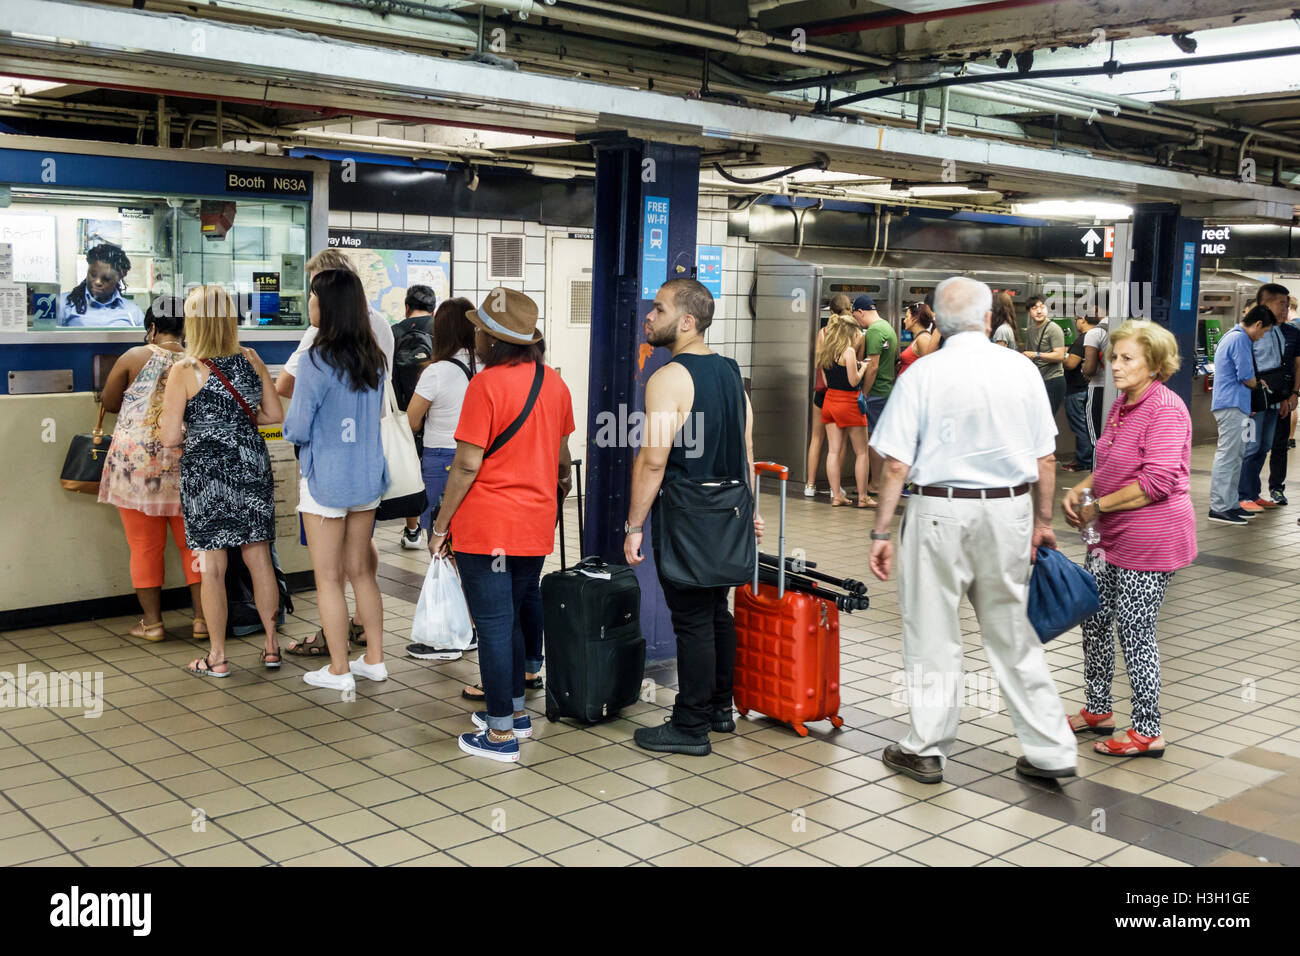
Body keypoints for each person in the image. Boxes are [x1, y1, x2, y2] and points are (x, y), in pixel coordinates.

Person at [868, 275, 1076, 784]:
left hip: (938, 513)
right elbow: (1045, 457)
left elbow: (896, 464)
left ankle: (927, 748)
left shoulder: (923, 373)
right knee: (1013, 632)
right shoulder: (1022, 371)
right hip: (1008, 512)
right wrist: (1043, 522)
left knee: (932, 631)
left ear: (936, 320)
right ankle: (1050, 750)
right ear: (989, 319)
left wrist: (880, 531)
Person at [430, 288, 574, 763]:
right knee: (508, 617)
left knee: (492, 626)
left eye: (480, 327)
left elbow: (467, 465)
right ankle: (515, 713)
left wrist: (440, 523)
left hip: (488, 526)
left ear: (493, 337)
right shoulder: (554, 383)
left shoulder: (485, 385)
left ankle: (498, 737)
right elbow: (563, 464)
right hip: (534, 526)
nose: (475, 334)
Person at [624, 278, 761, 756]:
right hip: (729, 512)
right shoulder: (729, 372)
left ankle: (690, 725)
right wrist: (751, 511)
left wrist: (634, 525)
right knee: (715, 611)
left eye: (658, 309)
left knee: (692, 620)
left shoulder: (668, 379)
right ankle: (721, 708)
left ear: (686, 322)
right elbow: (746, 449)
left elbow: (653, 460)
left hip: (688, 514)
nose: (649, 316)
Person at [1061, 321, 1195, 758]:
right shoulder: (1123, 404)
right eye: (1114, 357)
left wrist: (1096, 507)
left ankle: (1148, 729)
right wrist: (1083, 487)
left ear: (1154, 364)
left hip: (1151, 542)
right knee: (1094, 618)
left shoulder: (1166, 409)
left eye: (1126, 358)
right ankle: (1098, 709)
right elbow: (1115, 463)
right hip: (1109, 538)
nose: (1114, 366)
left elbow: (1154, 482)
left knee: (1136, 630)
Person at [160, 286, 284, 677]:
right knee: (258, 559)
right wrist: (239, 426)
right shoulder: (251, 358)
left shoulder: (185, 369)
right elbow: (273, 413)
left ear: (194, 321)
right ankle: (271, 645)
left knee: (212, 566)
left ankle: (218, 656)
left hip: (205, 471)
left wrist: (201, 431)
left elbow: (169, 437)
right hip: (250, 462)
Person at [277, 248, 394, 651]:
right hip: (367, 477)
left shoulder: (314, 358)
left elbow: (295, 427)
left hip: (325, 480)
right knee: (361, 571)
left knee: (328, 579)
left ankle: (340, 668)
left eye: (312, 294)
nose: (308, 301)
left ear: (327, 303)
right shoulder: (375, 357)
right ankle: (375, 660)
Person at [98, 296, 203, 641]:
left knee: (144, 546)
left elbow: (111, 402)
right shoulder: (197, 360)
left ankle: (153, 624)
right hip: (186, 461)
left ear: (152, 329)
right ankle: (203, 620)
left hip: (137, 467)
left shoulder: (134, 356)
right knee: (193, 545)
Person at [404, 295, 480, 663]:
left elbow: (412, 421)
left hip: (442, 461)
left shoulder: (436, 371)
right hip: (479, 462)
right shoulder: (484, 366)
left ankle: (453, 633)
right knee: (468, 546)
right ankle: (471, 624)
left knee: (442, 545)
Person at [1208, 304, 1276, 524]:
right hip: (1231, 405)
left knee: (1235, 456)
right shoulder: (1240, 339)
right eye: (1264, 331)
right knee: (1228, 456)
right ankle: (1219, 507)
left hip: (1235, 405)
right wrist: (1258, 385)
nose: (1262, 336)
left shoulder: (1234, 336)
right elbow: (1246, 376)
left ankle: (1231, 504)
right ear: (1258, 324)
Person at [1236, 283, 1296, 511]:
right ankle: (1242, 496)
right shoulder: (1247, 334)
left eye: (1287, 304)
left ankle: (1253, 492)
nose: (1285, 309)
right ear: (1264, 304)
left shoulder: (1279, 331)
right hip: (1255, 400)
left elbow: (1281, 367)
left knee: (1264, 446)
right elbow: (1246, 369)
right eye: (1281, 303)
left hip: (1273, 399)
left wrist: (1284, 397)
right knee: (1250, 448)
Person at [393, 284, 438, 551]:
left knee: (410, 470)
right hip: (433, 413)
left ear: (407, 306)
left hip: (401, 413)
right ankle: (437, 527)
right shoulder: (439, 331)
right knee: (433, 470)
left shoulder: (393, 332)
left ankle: (413, 532)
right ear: (433, 308)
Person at [816, 295, 871, 507]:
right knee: (861, 451)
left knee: (833, 451)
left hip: (830, 401)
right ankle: (863, 497)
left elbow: (827, 380)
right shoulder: (848, 352)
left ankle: (836, 495)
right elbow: (853, 380)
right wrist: (863, 366)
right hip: (849, 403)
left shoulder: (827, 350)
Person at [851, 294, 900, 501]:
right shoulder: (887, 328)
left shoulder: (874, 331)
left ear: (860, 312)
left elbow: (872, 367)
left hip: (876, 392)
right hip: (886, 389)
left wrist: (865, 393)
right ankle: (878, 482)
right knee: (878, 438)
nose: (857, 322)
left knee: (872, 440)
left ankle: (875, 483)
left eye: (856, 317)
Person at [57, 243, 145, 328]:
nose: (97, 282)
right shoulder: (64, 304)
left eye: (106, 278)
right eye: (93, 275)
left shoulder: (133, 312)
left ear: (120, 276)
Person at [1061, 310, 1101, 472]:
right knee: (1085, 424)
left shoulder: (1084, 339)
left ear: (1083, 320)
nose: (1076, 322)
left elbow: (1071, 364)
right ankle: (1083, 458)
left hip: (1076, 389)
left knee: (1080, 425)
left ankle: (1084, 460)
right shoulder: (1096, 336)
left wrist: (1061, 357)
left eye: (1077, 319)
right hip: (1086, 388)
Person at [1022, 294, 1068, 417]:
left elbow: (1060, 356)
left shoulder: (1053, 328)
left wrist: (1035, 354)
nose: (1039, 311)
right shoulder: (1031, 330)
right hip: (1039, 380)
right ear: (1029, 312)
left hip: (1053, 380)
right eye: (1034, 308)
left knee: (1046, 419)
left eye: (1042, 307)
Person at [897, 302, 937, 375]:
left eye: (907, 317)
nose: (904, 320)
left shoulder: (923, 339)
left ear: (915, 319)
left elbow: (927, 370)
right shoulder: (918, 337)